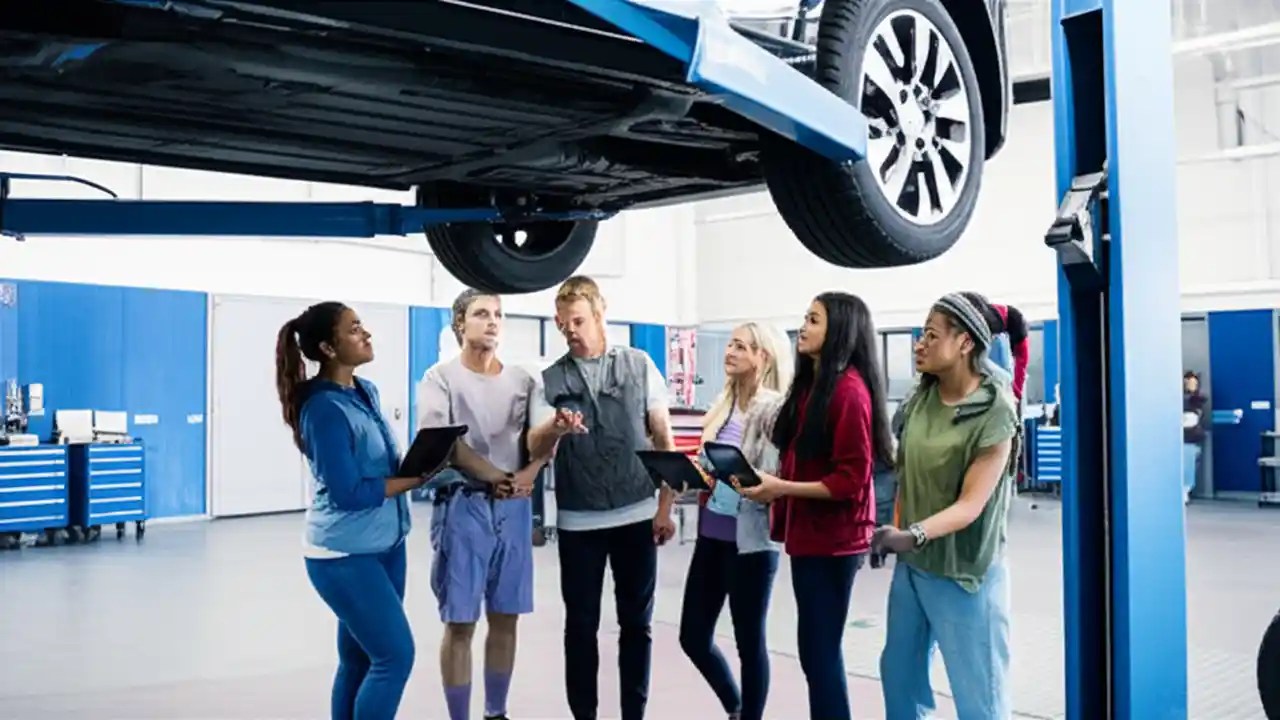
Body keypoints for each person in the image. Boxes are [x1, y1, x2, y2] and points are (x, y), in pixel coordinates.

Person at [274, 301, 511, 720]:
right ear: (328, 348)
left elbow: (388, 468)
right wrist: (417, 480)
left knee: (359, 661)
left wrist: (441, 469)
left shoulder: (365, 392)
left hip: (386, 543)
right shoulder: (324, 410)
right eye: (353, 329)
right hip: (344, 554)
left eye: (362, 325)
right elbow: (349, 492)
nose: (365, 334)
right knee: (394, 658)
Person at [526, 275, 678, 720]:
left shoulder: (640, 364)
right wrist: (554, 426)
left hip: (636, 514)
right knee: (580, 628)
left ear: (599, 313)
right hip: (579, 523)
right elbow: (535, 447)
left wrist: (665, 507)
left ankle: (635, 713)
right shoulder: (550, 379)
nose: (570, 330)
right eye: (562, 324)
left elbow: (663, 439)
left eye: (578, 320)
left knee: (637, 625)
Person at [737, 292, 893, 720]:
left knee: (820, 655)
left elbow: (849, 480)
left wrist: (780, 487)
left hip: (835, 543)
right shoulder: (810, 388)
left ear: (840, 329)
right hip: (809, 539)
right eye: (805, 318)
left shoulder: (849, 393)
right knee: (814, 654)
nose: (803, 327)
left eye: (814, 320)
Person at [873, 292, 1019, 720]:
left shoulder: (994, 411)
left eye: (931, 336)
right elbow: (904, 474)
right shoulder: (921, 398)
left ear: (965, 343)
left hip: (965, 576)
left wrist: (908, 535)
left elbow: (970, 506)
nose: (919, 344)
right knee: (899, 680)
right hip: (915, 570)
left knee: (981, 700)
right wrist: (889, 527)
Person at [418, 289, 549, 720]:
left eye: (498, 314)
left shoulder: (523, 381)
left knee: (506, 616)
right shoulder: (440, 378)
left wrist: (527, 475)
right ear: (460, 323)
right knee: (460, 622)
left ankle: (496, 712)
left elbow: (538, 442)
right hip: (464, 506)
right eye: (481, 314)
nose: (492, 321)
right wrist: (497, 476)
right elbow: (447, 445)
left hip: (512, 511)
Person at [679, 322, 793, 720]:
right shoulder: (722, 405)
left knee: (749, 641)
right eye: (730, 344)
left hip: (751, 544)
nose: (730, 352)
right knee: (692, 636)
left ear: (763, 357)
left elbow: (775, 474)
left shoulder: (775, 409)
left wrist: (743, 476)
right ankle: (735, 707)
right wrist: (697, 474)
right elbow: (711, 467)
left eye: (741, 347)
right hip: (710, 535)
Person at [1183, 370, 1208, 504]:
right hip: (1186, 437)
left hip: (1192, 438)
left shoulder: (1197, 399)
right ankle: (1184, 490)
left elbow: (1201, 399)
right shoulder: (1183, 399)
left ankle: (1186, 490)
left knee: (1190, 463)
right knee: (1187, 464)